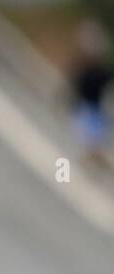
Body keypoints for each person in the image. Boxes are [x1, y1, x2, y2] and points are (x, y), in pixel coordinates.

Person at [67, 18, 113, 167]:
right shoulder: (81, 69)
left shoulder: (102, 72)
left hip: (96, 112)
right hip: (85, 111)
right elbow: (73, 88)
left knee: (94, 146)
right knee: (88, 146)